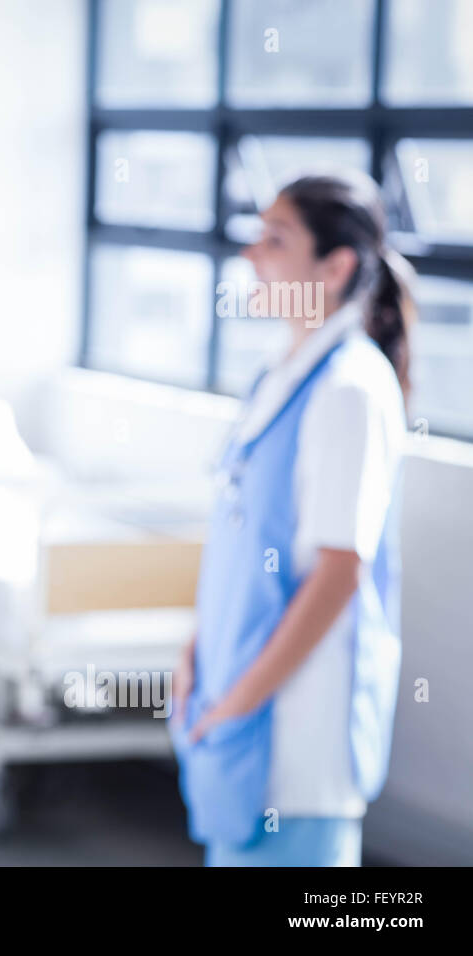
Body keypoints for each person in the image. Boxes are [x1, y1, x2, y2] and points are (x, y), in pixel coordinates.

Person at [169, 170, 413, 866]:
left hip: (296, 728)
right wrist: (197, 656)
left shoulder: (349, 391)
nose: (251, 253)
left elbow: (338, 573)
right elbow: (238, 545)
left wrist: (239, 700)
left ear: (334, 267)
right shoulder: (281, 376)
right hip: (234, 703)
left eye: (277, 239)